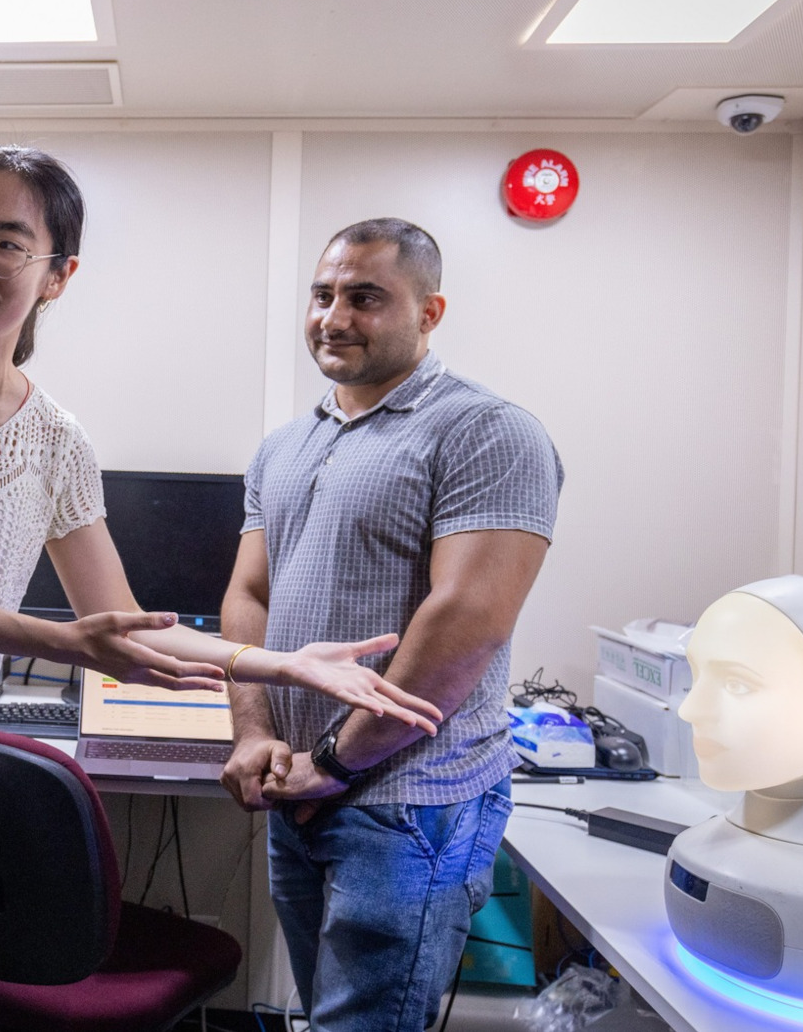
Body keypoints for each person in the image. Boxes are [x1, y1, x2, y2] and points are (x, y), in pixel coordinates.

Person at [0, 147, 444, 1032]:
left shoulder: (57, 440)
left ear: (58, 276)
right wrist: (64, 641)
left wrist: (281, 664)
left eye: (8, 243)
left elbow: (129, 621)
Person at [219, 218, 562, 1032]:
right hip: (298, 789)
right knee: (325, 1014)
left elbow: (466, 622)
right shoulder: (285, 446)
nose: (334, 317)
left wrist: (334, 763)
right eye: (324, 294)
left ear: (429, 311)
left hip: (409, 805)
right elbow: (248, 596)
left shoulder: (487, 431)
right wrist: (253, 732)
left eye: (365, 298)